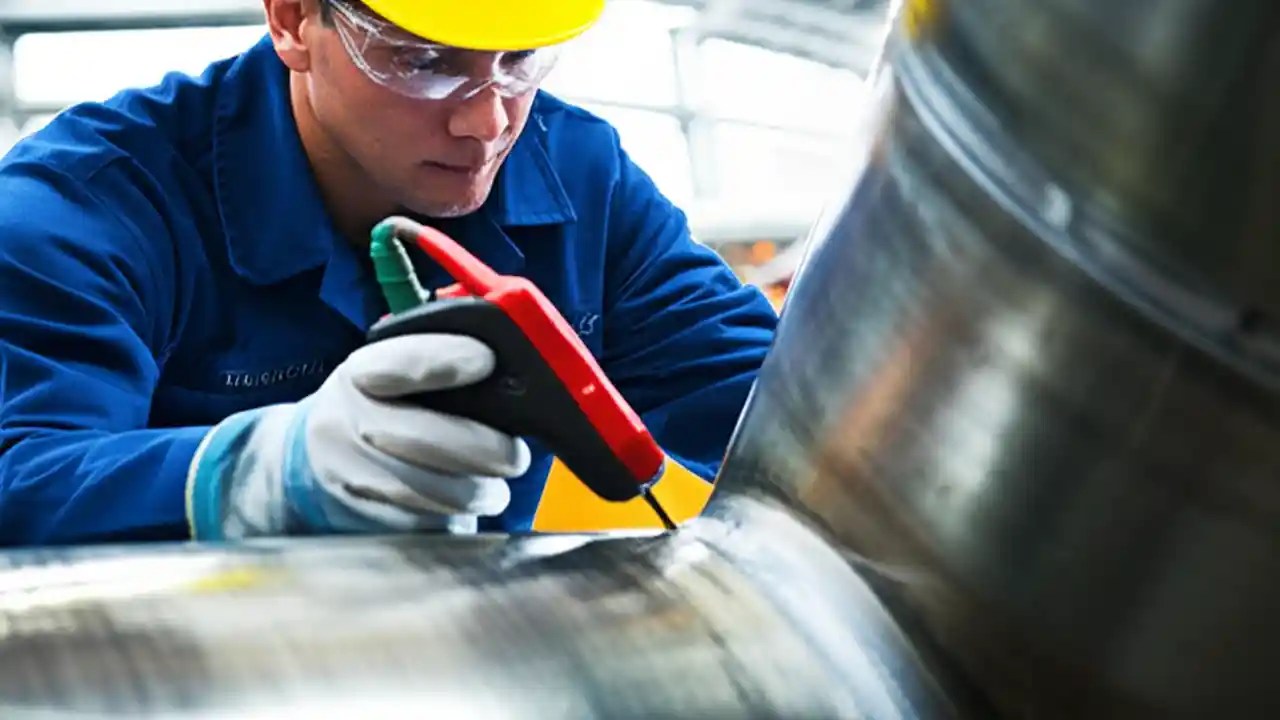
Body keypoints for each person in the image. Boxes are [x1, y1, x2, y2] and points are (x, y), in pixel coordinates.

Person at [0, 0, 778, 546]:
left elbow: (776, 404)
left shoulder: (581, 178)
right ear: (292, 19)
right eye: (423, 62)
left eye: (517, 61)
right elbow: (20, 473)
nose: (488, 123)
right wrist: (257, 474)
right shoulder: (87, 207)